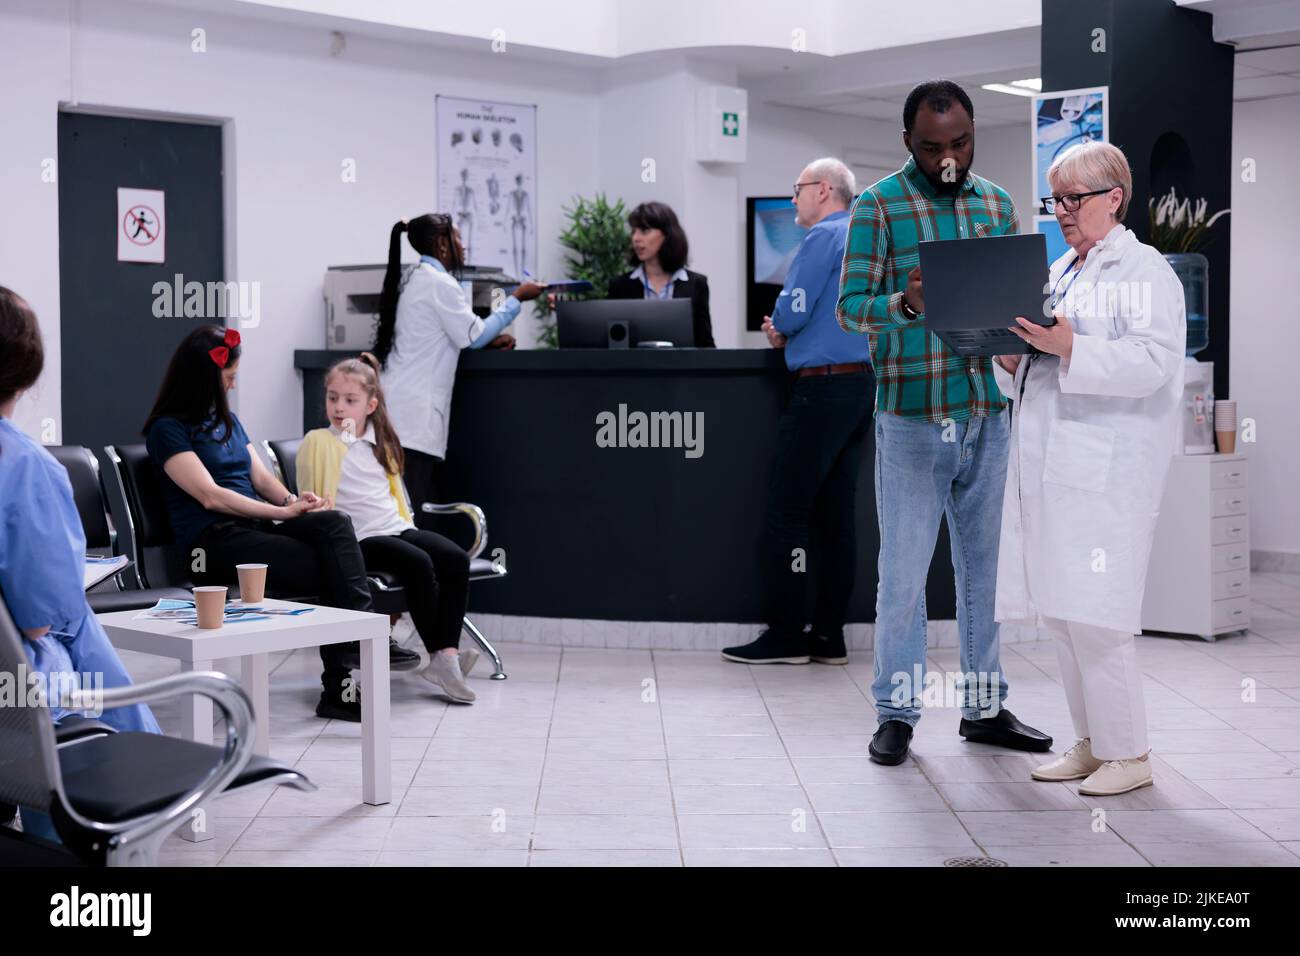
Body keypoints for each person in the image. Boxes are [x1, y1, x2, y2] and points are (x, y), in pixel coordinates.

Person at [837, 79, 1052, 765]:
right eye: (933, 148)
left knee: (985, 573)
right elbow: (848, 308)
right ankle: (897, 713)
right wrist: (902, 303)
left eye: (961, 142)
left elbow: (1010, 303)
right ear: (908, 143)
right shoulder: (876, 208)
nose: (949, 157)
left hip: (987, 412)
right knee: (902, 579)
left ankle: (984, 709)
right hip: (912, 418)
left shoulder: (995, 202)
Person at [996, 141, 1185, 796]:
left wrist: (1071, 346)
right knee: (1064, 612)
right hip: (1052, 469)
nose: (1063, 211)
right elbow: (1044, 362)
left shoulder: (1145, 269)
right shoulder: (1063, 268)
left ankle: (1129, 754)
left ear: (1114, 198)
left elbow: (1157, 362)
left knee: (1098, 617)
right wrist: (1014, 359)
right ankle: (1093, 742)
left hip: (1106, 473)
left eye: (1074, 199)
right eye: (1056, 200)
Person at [143, 325, 420, 723]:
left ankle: (358, 643)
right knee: (332, 565)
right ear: (204, 380)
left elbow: (260, 479)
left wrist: (294, 501)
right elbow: (210, 495)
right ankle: (350, 662)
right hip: (212, 542)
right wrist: (280, 513)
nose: (233, 386)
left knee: (333, 523)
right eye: (228, 379)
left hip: (252, 531)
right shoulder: (166, 430)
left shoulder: (228, 421)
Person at [0, 286, 160, 838]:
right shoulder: (26, 468)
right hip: (22, 704)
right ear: (26, 371)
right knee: (80, 664)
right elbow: (39, 617)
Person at [722, 158, 874, 665]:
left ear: (824, 190)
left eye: (798, 190)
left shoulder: (823, 237)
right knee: (837, 519)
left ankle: (786, 635)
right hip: (861, 387)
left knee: (788, 512)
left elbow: (794, 309)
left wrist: (780, 326)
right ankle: (829, 637)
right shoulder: (867, 235)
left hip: (821, 389)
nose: (792, 201)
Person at [297, 353, 478, 704]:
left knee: (456, 560)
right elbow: (312, 500)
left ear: (371, 405)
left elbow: (397, 498)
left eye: (350, 400)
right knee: (417, 562)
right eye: (332, 397)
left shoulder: (380, 442)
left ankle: (446, 654)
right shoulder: (318, 441)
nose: (339, 407)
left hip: (394, 528)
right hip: (357, 539)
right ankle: (441, 658)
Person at [374, 214, 544, 513]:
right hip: (415, 420)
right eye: (458, 238)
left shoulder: (414, 278)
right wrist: (517, 298)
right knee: (410, 515)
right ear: (442, 244)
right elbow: (474, 335)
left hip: (398, 411)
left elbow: (440, 335)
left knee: (411, 510)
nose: (463, 247)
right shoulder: (441, 284)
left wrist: (488, 339)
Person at [607, 201, 715, 348]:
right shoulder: (620, 286)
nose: (636, 238)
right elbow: (612, 345)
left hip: (682, 368)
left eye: (644, 231)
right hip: (635, 368)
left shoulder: (696, 284)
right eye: (634, 231)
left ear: (667, 235)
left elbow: (705, 344)